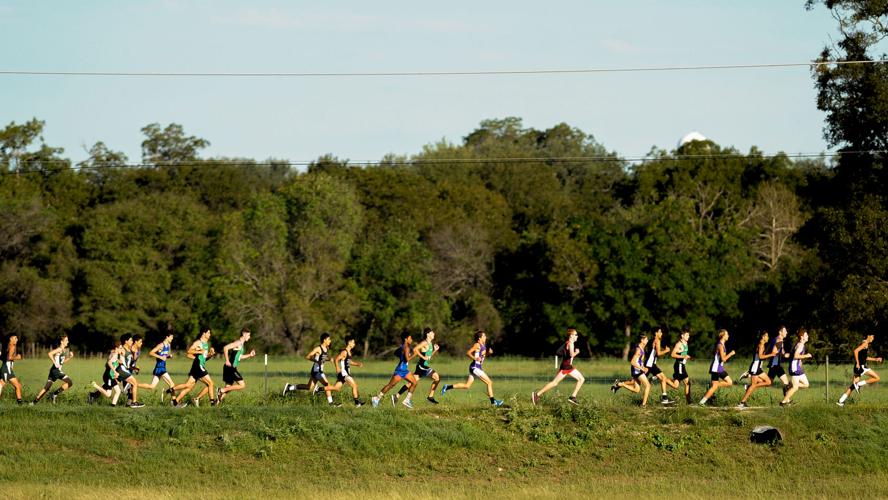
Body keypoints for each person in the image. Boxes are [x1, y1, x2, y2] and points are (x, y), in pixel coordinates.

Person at [440, 330, 504, 407]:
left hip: (476, 367)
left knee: (467, 386)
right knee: (489, 382)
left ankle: (447, 387)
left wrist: (488, 353)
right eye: (484, 336)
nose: (485, 337)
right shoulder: (477, 345)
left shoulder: (483, 345)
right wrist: (475, 358)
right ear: (479, 338)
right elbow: (468, 352)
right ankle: (493, 402)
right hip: (475, 367)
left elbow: (481, 357)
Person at [282, 333, 340, 405]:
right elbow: (308, 356)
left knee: (308, 387)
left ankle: (289, 387)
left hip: (319, 371)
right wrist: (316, 361)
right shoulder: (318, 348)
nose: (330, 341)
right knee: (327, 385)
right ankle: (330, 403)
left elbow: (322, 358)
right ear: (324, 340)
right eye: (329, 339)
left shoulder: (326, 348)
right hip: (316, 371)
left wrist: (328, 359)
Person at [532, 328, 584, 405]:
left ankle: (573, 397)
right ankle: (537, 395)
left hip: (567, 366)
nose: (577, 336)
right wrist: (577, 352)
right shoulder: (571, 344)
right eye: (576, 334)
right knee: (555, 382)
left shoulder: (568, 343)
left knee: (580, 379)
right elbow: (571, 355)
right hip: (566, 367)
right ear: (571, 335)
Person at [393, 327, 442, 407]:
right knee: (437, 377)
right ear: (428, 334)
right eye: (432, 333)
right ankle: (430, 397)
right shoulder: (424, 342)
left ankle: (396, 396)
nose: (434, 334)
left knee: (411, 383)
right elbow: (415, 349)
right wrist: (423, 358)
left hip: (422, 366)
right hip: (421, 366)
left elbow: (428, 357)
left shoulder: (430, 344)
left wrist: (434, 350)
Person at [171, 327, 217, 408]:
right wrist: (199, 351)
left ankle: (175, 401)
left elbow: (204, 359)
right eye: (208, 333)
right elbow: (189, 351)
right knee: (210, 383)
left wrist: (210, 354)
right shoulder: (198, 342)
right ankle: (212, 403)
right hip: (198, 366)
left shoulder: (206, 344)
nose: (210, 335)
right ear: (204, 333)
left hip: (199, 365)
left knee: (188, 386)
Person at [371, 332, 418, 408]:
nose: (411, 339)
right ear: (406, 339)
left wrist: (401, 356)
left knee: (414, 382)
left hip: (404, 370)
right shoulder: (406, 347)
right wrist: (414, 354)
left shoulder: (402, 346)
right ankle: (376, 398)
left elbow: (395, 353)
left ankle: (407, 400)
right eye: (410, 338)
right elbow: (407, 359)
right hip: (400, 370)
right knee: (390, 385)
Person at [838, 333, 882, 407]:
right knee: (877, 378)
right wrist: (858, 363)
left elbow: (865, 357)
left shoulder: (865, 343)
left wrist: (875, 359)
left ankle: (841, 401)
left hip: (859, 367)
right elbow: (855, 351)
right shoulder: (865, 343)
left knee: (852, 387)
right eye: (872, 337)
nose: (873, 339)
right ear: (868, 336)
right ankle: (859, 384)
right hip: (861, 367)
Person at [320, 336, 365, 407]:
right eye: (353, 342)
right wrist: (338, 369)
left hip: (346, 373)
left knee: (336, 388)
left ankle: (318, 389)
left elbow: (348, 361)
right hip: (344, 373)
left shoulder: (349, 352)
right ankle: (357, 402)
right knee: (354, 385)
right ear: (349, 343)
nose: (354, 344)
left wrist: (357, 364)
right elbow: (336, 360)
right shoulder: (344, 352)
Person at [736, 331, 777, 409]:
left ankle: (748, 384)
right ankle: (742, 403)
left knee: (768, 382)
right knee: (755, 384)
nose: (768, 338)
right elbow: (761, 356)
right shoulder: (761, 345)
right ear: (763, 337)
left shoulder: (762, 345)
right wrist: (771, 354)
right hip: (755, 367)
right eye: (767, 336)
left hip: (758, 368)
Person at [217, 327, 256, 404]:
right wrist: (227, 360)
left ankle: (216, 403)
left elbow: (239, 357)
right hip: (230, 367)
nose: (249, 337)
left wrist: (249, 355)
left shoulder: (242, 344)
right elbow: (225, 348)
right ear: (244, 334)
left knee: (228, 388)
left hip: (230, 368)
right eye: (248, 335)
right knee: (242, 385)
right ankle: (221, 390)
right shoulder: (238, 343)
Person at [610, 334, 651, 406]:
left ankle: (620, 384)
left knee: (637, 390)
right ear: (642, 340)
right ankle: (643, 405)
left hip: (638, 370)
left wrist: (643, 367)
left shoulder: (642, 348)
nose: (647, 340)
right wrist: (642, 368)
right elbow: (632, 362)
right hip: (637, 371)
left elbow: (640, 361)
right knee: (648, 386)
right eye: (646, 339)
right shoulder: (638, 349)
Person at [32, 335, 75, 404]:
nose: (68, 341)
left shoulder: (65, 350)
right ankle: (54, 394)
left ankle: (33, 403)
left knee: (46, 388)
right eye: (66, 340)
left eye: (68, 340)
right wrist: (54, 362)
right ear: (61, 341)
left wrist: (70, 357)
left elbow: (62, 362)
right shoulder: (59, 349)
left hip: (53, 370)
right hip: (56, 371)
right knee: (70, 382)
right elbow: (50, 354)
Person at [699, 329, 736, 406]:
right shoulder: (720, 346)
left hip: (719, 367)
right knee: (729, 383)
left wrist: (722, 366)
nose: (728, 336)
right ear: (723, 336)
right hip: (716, 368)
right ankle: (702, 401)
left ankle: (702, 402)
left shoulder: (722, 344)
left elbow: (720, 359)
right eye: (727, 334)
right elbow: (723, 359)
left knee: (718, 385)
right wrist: (731, 354)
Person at [137, 331, 177, 401]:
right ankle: (174, 402)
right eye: (171, 337)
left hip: (161, 367)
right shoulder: (161, 345)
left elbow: (163, 355)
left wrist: (168, 356)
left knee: (151, 386)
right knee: (172, 384)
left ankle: (134, 385)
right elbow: (151, 352)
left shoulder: (168, 345)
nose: (172, 339)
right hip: (160, 368)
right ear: (167, 337)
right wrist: (160, 357)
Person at [645, 327, 680, 405]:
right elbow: (658, 353)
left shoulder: (651, 340)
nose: (661, 333)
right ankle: (664, 398)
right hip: (650, 365)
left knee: (637, 382)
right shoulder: (657, 340)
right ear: (656, 333)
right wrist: (666, 351)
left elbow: (649, 352)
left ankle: (619, 384)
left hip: (649, 364)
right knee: (663, 378)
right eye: (660, 332)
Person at [780, 328, 812, 406]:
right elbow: (796, 355)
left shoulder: (801, 344)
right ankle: (783, 402)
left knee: (806, 384)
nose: (807, 336)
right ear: (802, 337)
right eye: (806, 335)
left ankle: (788, 386)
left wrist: (800, 362)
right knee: (795, 387)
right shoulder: (800, 345)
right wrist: (806, 355)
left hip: (798, 368)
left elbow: (796, 356)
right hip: (794, 369)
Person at [113, 333, 145, 408]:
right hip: (121, 370)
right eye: (130, 340)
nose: (132, 341)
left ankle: (93, 395)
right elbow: (114, 356)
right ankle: (133, 403)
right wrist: (117, 360)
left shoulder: (129, 349)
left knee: (108, 386)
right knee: (134, 383)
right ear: (126, 341)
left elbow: (130, 361)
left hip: (125, 370)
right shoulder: (122, 349)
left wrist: (134, 367)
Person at [765, 326, 791, 396]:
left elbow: (780, 352)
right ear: (780, 332)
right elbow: (774, 352)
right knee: (786, 382)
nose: (786, 332)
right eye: (785, 331)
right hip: (775, 364)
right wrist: (783, 355)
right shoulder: (779, 340)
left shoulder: (778, 339)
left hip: (774, 365)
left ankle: (750, 385)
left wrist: (784, 354)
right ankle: (786, 401)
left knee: (768, 383)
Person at [670, 328, 693, 404]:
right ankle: (688, 402)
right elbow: (672, 354)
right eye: (687, 335)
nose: (688, 336)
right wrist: (684, 357)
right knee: (687, 383)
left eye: (688, 335)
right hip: (679, 365)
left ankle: (664, 380)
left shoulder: (686, 343)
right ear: (682, 336)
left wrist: (686, 356)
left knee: (676, 385)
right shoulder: (679, 344)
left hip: (682, 365)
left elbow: (683, 354)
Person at [0, 335, 24, 404]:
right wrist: (17, 357)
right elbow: (9, 358)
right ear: (11, 339)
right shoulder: (12, 346)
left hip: (5, 369)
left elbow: (3, 358)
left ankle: (20, 403)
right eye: (15, 338)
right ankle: (20, 403)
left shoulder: (8, 346)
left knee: (1, 385)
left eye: (17, 338)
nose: (17, 339)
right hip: (7, 370)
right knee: (18, 386)